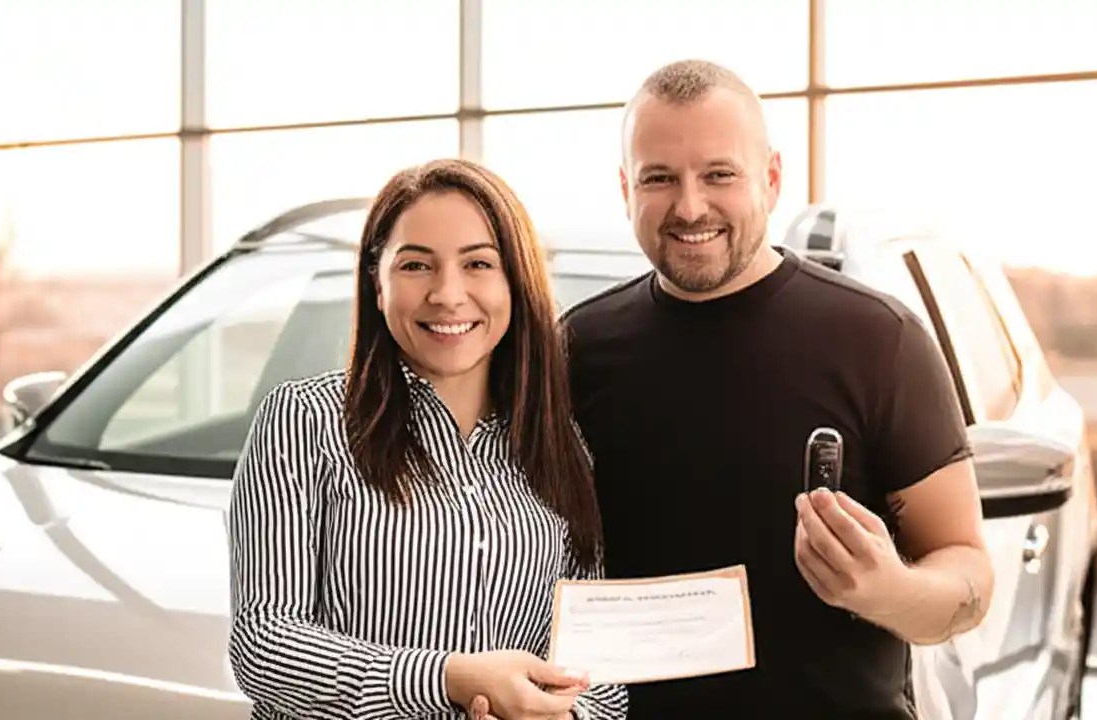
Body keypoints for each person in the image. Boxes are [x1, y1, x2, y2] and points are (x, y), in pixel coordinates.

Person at [559, 60, 996, 717]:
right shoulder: (574, 349)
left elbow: (968, 573)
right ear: (626, 189)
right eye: (659, 178)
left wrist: (887, 589)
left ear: (771, 178)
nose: (689, 206)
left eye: (718, 174)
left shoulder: (879, 341)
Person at [227, 158, 628, 720]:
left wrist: (568, 715)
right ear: (377, 281)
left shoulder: (561, 447)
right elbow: (264, 646)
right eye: (416, 265)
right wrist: (450, 678)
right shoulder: (303, 421)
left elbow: (598, 672)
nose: (448, 294)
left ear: (515, 280)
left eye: (479, 264)